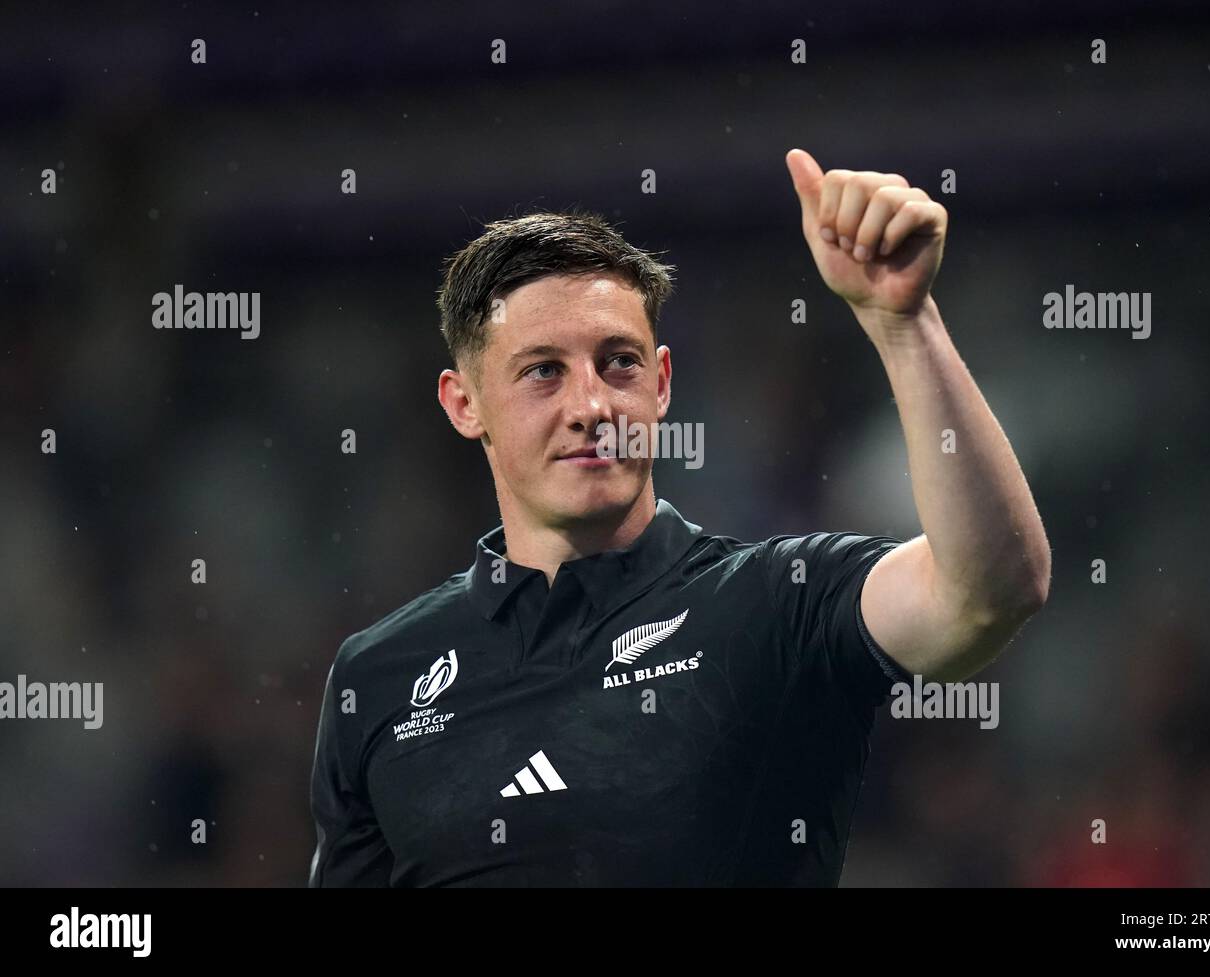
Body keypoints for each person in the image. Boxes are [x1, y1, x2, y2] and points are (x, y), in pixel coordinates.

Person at [307, 149, 1051, 886]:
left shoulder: (778, 601)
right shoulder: (377, 676)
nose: (592, 406)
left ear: (661, 384)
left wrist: (904, 323)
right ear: (464, 404)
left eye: (619, 362)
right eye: (543, 371)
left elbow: (988, 591)